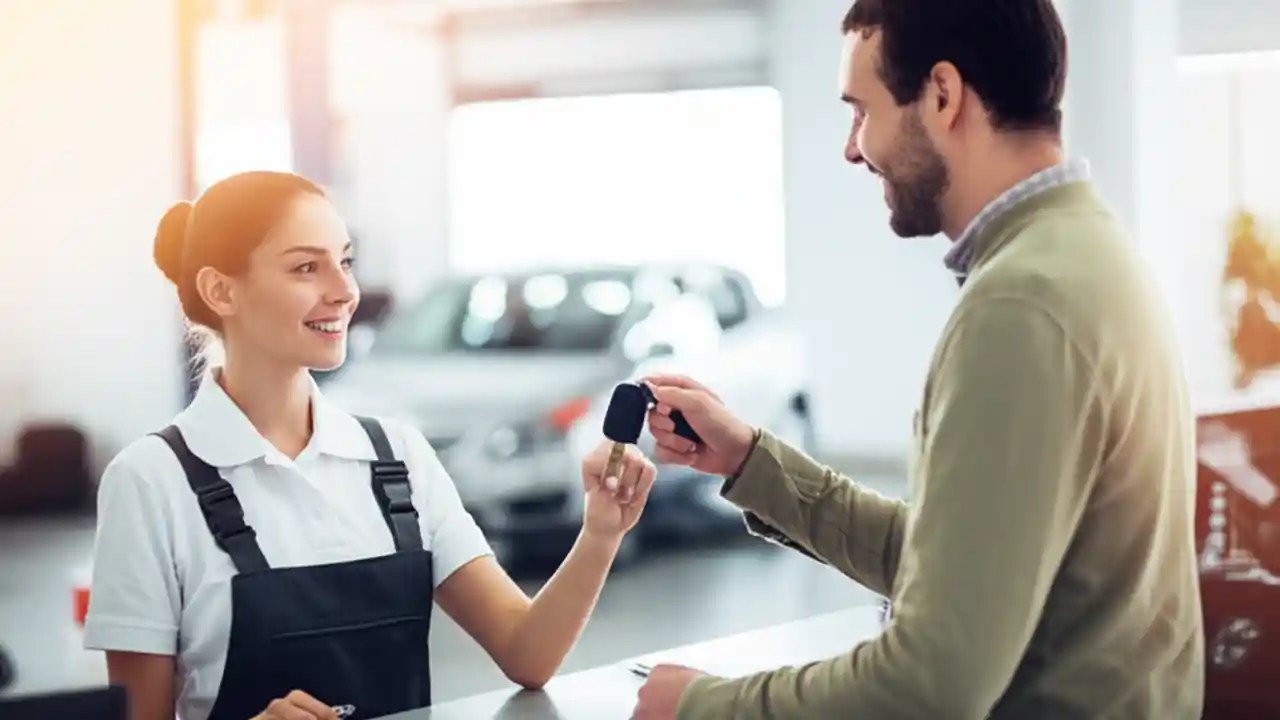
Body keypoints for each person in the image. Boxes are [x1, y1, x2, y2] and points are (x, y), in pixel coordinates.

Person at [631, 0, 1204, 718]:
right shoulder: (1087, 252)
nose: (851, 147)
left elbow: (932, 682)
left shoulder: (1021, 307)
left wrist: (700, 707)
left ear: (941, 95)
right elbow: (967, 574)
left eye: (861, 110)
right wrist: (752, 462)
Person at [83, 171, 656, 720]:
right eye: (307, 266)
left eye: (346, 262)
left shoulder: (398, 459)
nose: (345, 292)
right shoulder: (150, 481)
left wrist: (600, 533)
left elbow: (527, 653)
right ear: (220, 290)